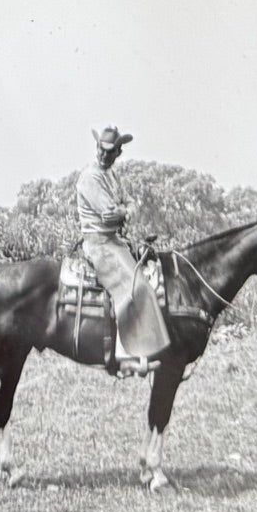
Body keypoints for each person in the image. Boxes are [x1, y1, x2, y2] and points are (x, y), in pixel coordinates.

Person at [76, 125, 172, 376]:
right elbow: (108, 215)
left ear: (118, 152)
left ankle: (148, 349)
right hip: (98, 244)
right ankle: (123, 355)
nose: (104, 155)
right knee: (132, 288)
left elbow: (129, 202)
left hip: (114, 242)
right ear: (97, 148)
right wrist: (123, 211)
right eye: (102, 150)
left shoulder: (111, 175)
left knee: (148, 281)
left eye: (110, 152)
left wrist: (123, 210)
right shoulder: (90, 177)